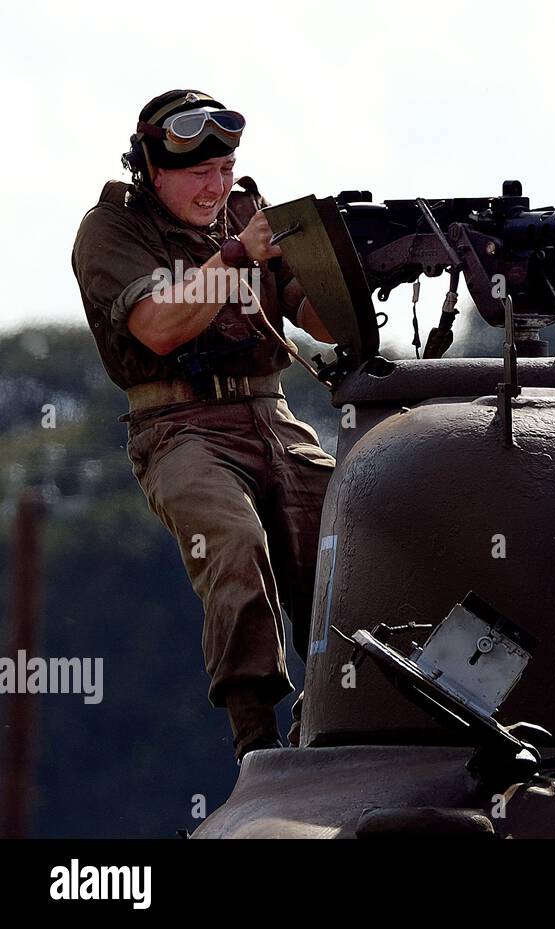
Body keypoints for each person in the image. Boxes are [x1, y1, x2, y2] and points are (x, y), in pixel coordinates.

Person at [71, 89, 336, 761]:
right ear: (152, 170)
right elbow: (158, 325)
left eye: (226, 169)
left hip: (272, 414)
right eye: (199, 174)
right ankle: (258, 743)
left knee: (355, 536)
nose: (217, 187)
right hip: (179, 426)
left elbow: (321, 322)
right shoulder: (112, 231)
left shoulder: (249, 216)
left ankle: (342, 714)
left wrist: (362, 270)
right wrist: (236, 258)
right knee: (235, 543)